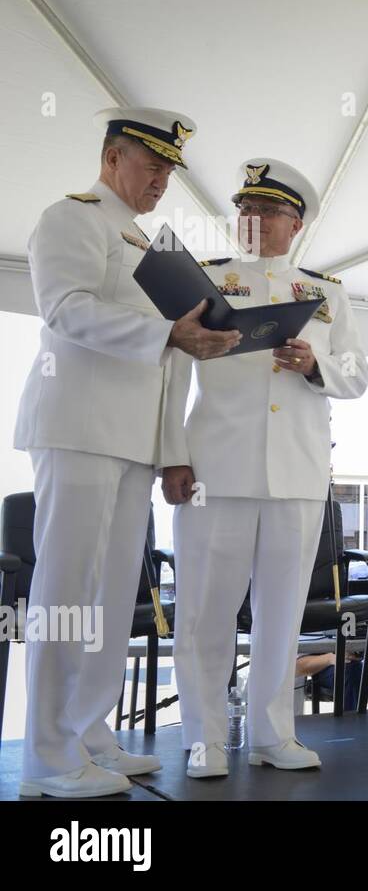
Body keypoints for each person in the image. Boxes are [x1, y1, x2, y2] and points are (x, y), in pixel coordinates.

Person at [15, 108, 240, 798]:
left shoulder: (150, 242)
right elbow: (66, 308)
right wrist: (170, 335)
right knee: (66, 592)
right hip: (79, 426)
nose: (163, 179)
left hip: (133, 442)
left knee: (111, 597)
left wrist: (173, 447)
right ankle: (47, 758)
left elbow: (172, 358)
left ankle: (89, 734)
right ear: (113, 158)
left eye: (170, 169)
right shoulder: (71, 219)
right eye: (153, 165)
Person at [161, 159, 368, 777]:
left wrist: (313, 365)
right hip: (215, 471)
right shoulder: (204, 279)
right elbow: (169, 370)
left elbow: (357, 374)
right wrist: (172, 453)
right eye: (245, 209)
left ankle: (273, 735)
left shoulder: (326, 292)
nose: (252, 220)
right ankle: (205, 739)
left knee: (281, 612)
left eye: (267, 211)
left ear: (295, 223)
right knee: (205, 611)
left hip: (299, 473)